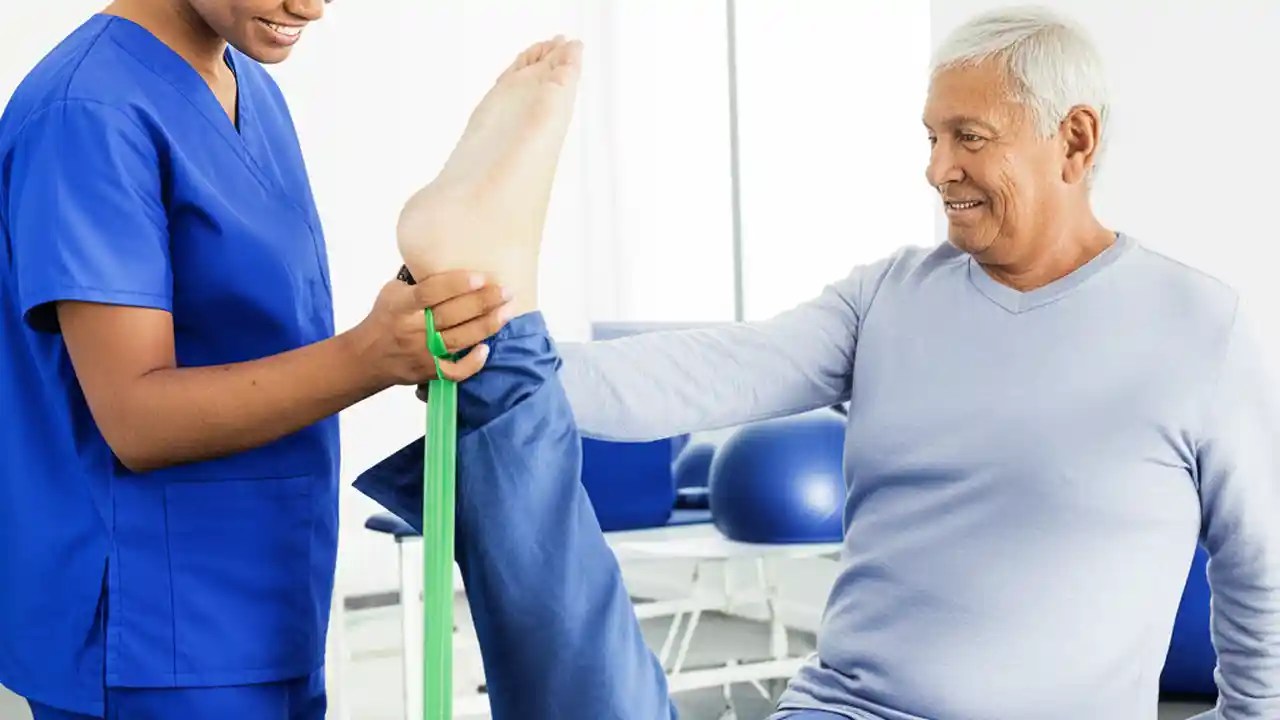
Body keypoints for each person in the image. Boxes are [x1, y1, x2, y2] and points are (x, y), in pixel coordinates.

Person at [369, 6, 1279, 720]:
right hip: (841, 710)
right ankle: (503, 315)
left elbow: (1260, 572)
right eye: (930, 136)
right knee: (518, 424)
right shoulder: (889, 298)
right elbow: (708, 373)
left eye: (969, 137)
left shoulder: (1196, 330)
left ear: (1074, 140)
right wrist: (491, 351)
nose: (936, 169)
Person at [0, 1, 568, 717]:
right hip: (158, 634)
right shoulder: (88, 113)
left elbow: (258, 331)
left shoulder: (249, 87)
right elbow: (137, 419)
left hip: (271, 606)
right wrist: (371, 355)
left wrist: (410, 323)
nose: (311, 6)